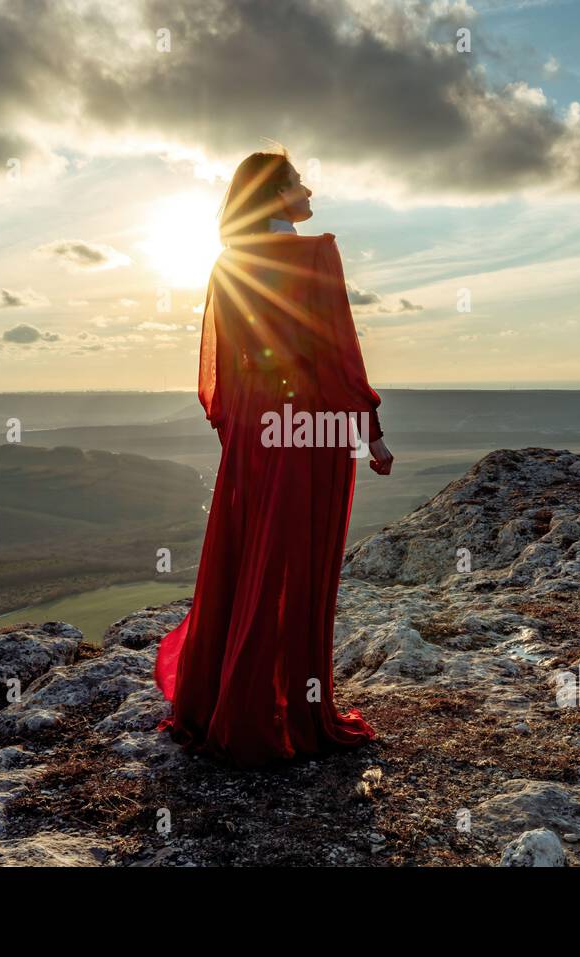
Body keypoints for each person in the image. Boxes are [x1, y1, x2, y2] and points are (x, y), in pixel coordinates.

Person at [153, 147, 394, 769]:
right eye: (296, 181)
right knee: (297, 561)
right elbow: (338, 351)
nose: (308, 188)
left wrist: (242, 431)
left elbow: (224, 369)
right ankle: (279, 710)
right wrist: (368, 428)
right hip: (312, 419)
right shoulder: (315, 253)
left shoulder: (230, 263)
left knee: (252, 553)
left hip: (256, 428)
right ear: (276, 195)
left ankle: (229, 703)